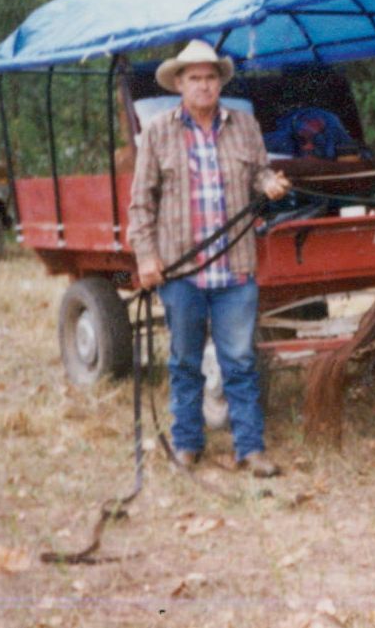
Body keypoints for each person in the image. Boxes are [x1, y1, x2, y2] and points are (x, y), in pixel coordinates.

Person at [128, 39, 291, 477]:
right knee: (184, 362)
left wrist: (268, 183)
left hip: (235, 269)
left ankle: (250, 449)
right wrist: (146, 257)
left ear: (220, 82)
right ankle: (186, 445)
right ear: (179, 84)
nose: (203, 85)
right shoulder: (157, 132)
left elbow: (258, 172)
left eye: (210, 77)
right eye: (194, 78)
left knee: (240, 361)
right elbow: (141, 203)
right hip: (182, 271)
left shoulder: (245, 125)